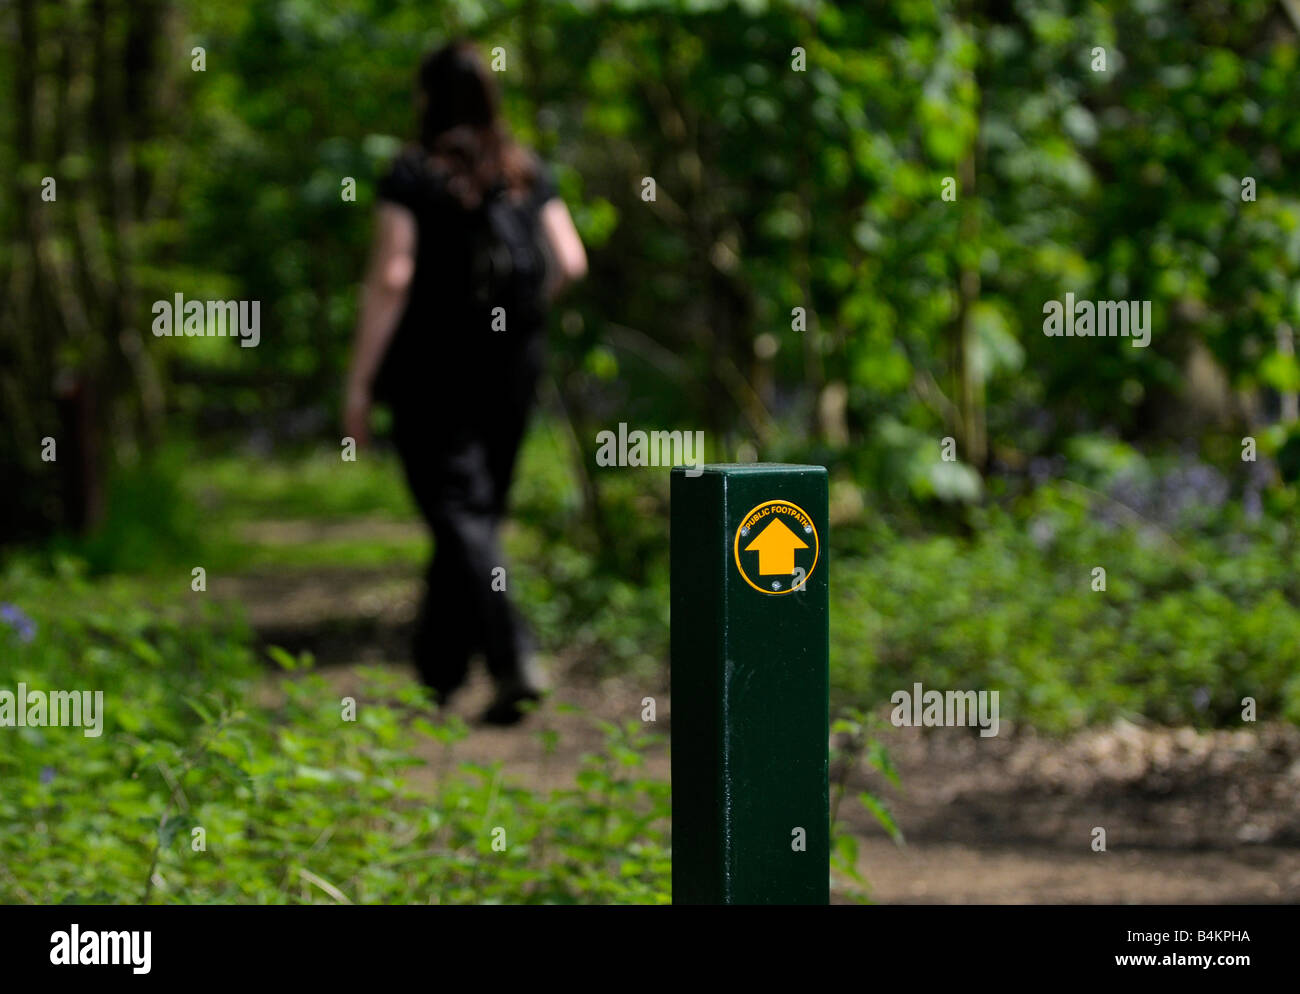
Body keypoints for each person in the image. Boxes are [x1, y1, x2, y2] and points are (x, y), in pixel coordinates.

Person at [343, 41, 587, 725]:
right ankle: (439, 674)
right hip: (514, 366)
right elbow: (570, 260)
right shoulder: (524, 169)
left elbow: (393, 276)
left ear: (426, 99)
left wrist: (359, 384)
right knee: (472, 517)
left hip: (431, 368)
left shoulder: (412, 175)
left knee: (459, 514)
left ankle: (511, 657)